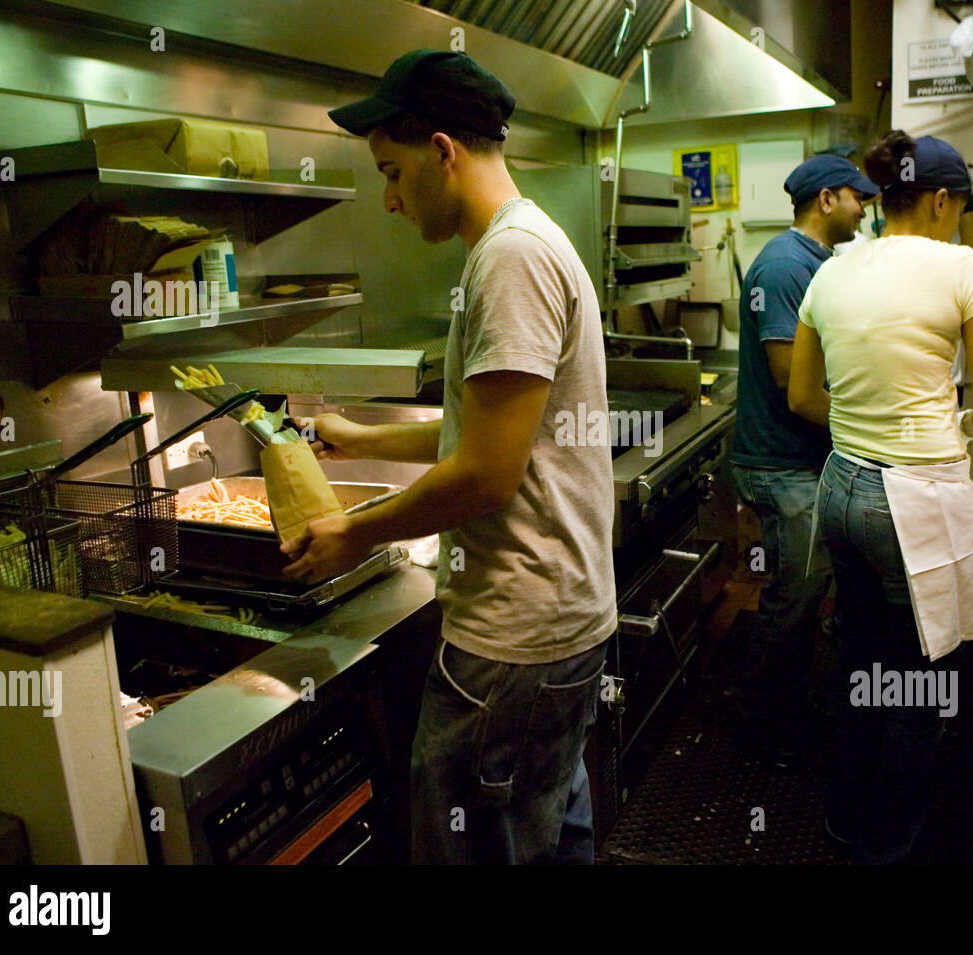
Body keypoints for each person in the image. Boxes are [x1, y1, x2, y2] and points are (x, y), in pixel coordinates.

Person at [284, 50, 616, 864]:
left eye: (392, 173)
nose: (391, 201)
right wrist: (359, 439)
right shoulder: (525, 243)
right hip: (555, 624)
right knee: (549, 831)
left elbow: (485, 476)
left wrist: (352, 534)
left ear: (442, 150)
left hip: (512, 643)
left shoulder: (509, 259)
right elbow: (489, 435)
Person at [788, 131, 973, 863]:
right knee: (919, 692)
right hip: (912, 501)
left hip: (842, 488)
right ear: (942, 200)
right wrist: (948, 425)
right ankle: (886, 850)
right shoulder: (965, 268)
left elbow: (801, 394)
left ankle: (844, 821)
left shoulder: (832, 270)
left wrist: (868, 421)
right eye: (960, 207)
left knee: (861, 663)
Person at [730, 154, 878, 768]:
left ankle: (782, 704)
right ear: (825, 200)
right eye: (856, 197)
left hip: (801, 461)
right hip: (780, 465)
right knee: (792, 600)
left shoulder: (817, 263)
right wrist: (871, 428)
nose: (864, 208)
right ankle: (761, 728)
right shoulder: (786, 265)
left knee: (801, 593)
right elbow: (793, 379)